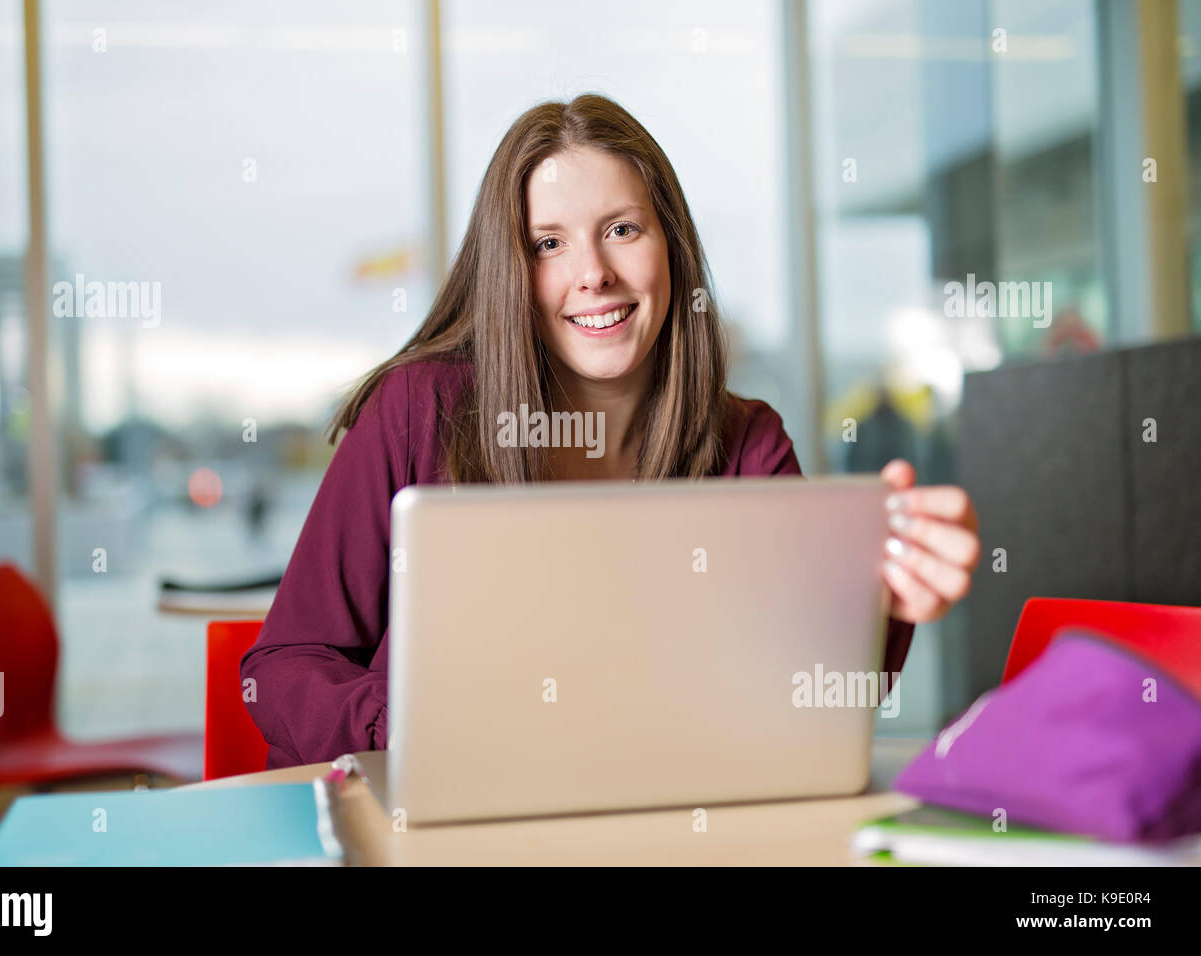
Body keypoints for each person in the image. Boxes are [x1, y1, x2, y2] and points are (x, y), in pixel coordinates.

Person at [241, 94, 981, 769]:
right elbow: (281, 666)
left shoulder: (746, 444)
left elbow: (805, 701)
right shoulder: (417, 411)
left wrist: (884, 593)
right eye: (548, 244)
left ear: (671, 248)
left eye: (621, 230)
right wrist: (406, 726)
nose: (592, 273)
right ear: (511, 274)